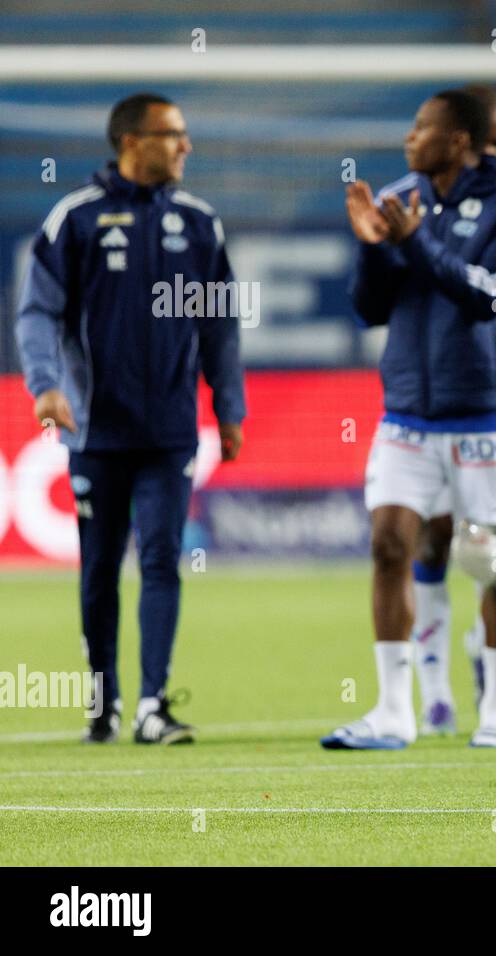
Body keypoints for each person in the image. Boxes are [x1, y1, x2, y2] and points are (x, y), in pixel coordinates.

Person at [16, 92, 246, 745]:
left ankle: (152, 704)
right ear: (131, 141)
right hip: (97, 429)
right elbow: (38, 313)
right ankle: (103, 699)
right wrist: (46, 385)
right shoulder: (77, 219)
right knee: (97, 571)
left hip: (171, 430)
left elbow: (220, 327)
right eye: (172, 134)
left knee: (163, 559)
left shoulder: (200, 223)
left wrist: (229, 408)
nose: (185, 145)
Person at [322, 89, 496, 750]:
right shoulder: (399, 199)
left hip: (484, 416)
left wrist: (415, 244)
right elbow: (370, 310)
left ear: (460, 141)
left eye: (423, 128)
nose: (410, 137)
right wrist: (372, 248)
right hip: (408, 414)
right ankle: (394, 711)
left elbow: (492, 296)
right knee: (390, 543)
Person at [404, 84, 496, 735]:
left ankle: (495, 690)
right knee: (426, 546)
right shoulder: (413, 199)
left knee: (495, 559)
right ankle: (434, 695)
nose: (495, 154)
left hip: (492, 403)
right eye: (489, 142)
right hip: (423, 409)